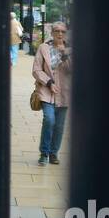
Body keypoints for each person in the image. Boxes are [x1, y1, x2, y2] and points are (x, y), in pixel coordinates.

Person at [32, 22, 71, 165]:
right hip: (46, 90)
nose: (60, 34)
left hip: (65, 92)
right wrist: (48, 82)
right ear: (52, 33)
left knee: (59, 125)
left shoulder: (70, 50)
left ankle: (53, 153)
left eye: (62, 31)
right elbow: (36, 70)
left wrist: (64, 55)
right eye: (56, 31)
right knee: (49, 120)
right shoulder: (44, 48)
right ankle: (44, 153)